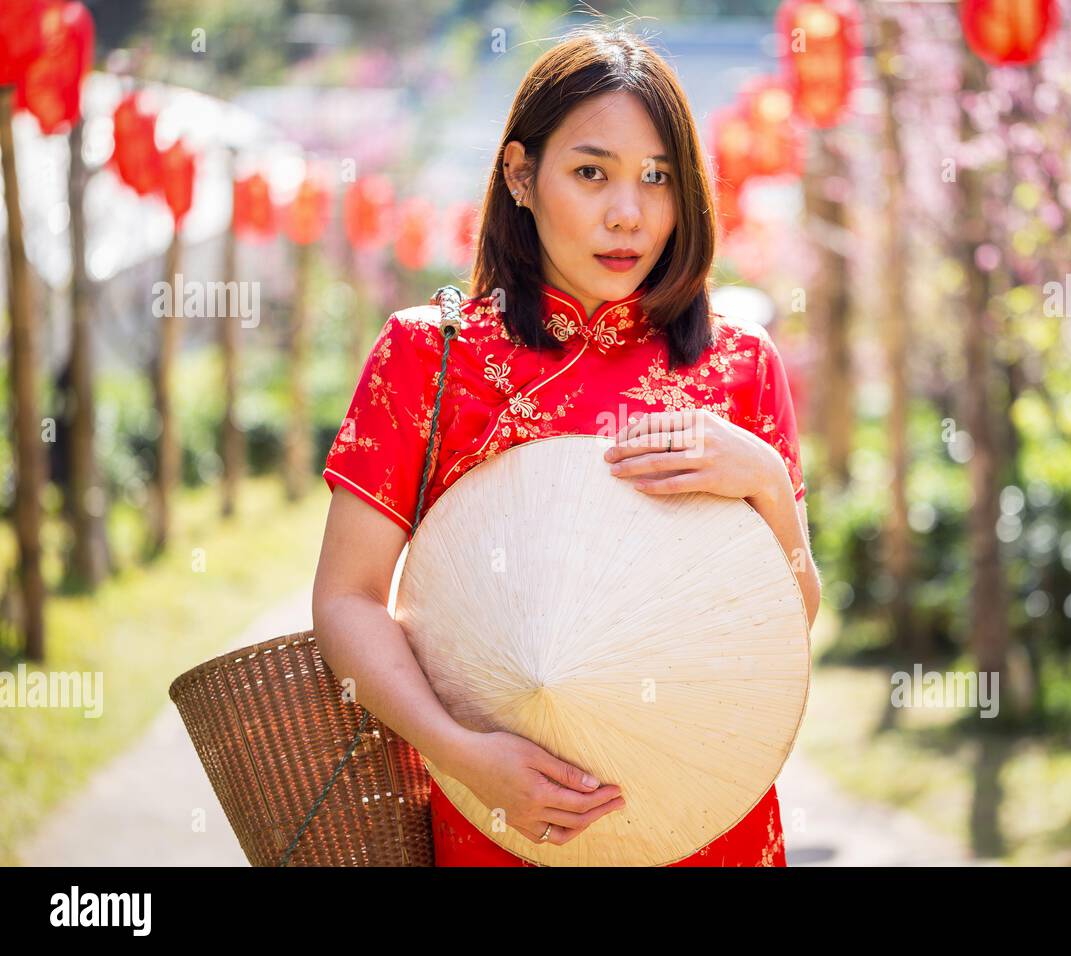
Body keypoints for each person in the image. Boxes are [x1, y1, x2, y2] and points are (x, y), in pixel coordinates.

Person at [312, 25, 820, 867]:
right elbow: (348, 598)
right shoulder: (431, 358)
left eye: (658, 178)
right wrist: (459, 750)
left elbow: (787, 616)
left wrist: (766, 481)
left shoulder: (738, 363)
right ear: (520, 174)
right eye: (593, 172)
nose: (629, 213)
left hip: (705, 818)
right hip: (499, 820)